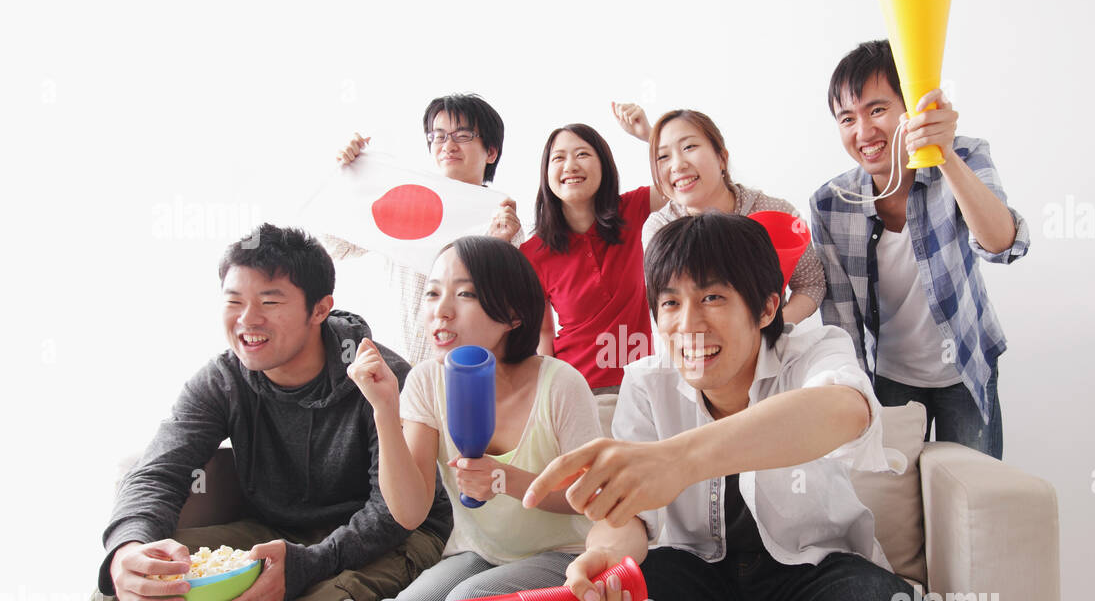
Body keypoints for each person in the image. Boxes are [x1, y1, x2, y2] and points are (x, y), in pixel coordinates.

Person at [2, 225, 451, 601]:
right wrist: (127, 552)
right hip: (276, 526)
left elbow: (393, 511)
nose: (248, 320)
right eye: (235, 301)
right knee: (150, 574)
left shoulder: (381, 376)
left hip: (393, 538)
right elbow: (158, 472)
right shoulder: (223, 378)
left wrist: (304, 567)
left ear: (321, 309)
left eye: (270, 301)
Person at [523, 213, 954, 601]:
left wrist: (678, 459)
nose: (688, 324)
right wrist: (608, 557)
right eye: (670, 303)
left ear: (768, 307)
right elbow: (627, 516)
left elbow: (842, 411)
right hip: (693, 563)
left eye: (714, 297)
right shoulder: (647, 382)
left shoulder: (817, 349)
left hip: (811, 564)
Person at [306, 236, 603, 601]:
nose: (440, 310)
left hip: (563, 556)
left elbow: (594, 499)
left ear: (511, 312)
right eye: (432, 292)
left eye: (463, 295)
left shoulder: (560, 384)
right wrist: (384, 407)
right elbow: (411, 509)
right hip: (477, 554)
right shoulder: (425, 382)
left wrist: (510, 481)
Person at [811, 40, 1030, 459]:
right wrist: (854, 403)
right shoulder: (830, 202)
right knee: (892, 506)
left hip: (965, 366)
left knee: (974, 500)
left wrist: (943, 154)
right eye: (846, 119)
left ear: (909, 108)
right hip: (886, 378)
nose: (863, 132)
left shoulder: (964, 154)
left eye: (877, 110)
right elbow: (840, 320)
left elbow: (1002, 244)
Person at [328, 93, 525, 366]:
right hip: (400, 368)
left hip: (466, 369)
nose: (448, 145)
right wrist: (349, 176)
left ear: (491, 151)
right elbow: (336, 246)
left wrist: (498, 244)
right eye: (439, 136)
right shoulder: (405, 200)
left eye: (463, 135)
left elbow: (508, 310)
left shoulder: (501, 218)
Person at [612, 104, 826, 325]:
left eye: (689, 147)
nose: (677, 165)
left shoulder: (775, 212)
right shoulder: (660, 227)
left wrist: (771, 328)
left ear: (722, 158)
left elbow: (811, 283)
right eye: (663, 156)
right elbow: (665, 305)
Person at [519, 117, 667, 428]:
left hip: (643, 382)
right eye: (558, 158)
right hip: (578, 389)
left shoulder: (635, 209)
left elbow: (681, 179)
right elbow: (542, 334)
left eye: (582, 154)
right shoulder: (532, 252)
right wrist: (543, 402)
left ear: (604, 164)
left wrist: (649, 134)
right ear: (546, 174)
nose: (570, 165)